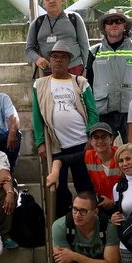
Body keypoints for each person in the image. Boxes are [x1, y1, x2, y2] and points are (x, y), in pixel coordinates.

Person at [32, 41, 98, 219]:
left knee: (85, 187)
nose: (58, 61)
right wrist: (40, 143)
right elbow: (37, 116)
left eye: (63, 57)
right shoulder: (40, 85)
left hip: (81, 145)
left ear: (69, 61)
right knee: (59, 192)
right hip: (56, 147)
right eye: (54, 57)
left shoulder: (80, 82)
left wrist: (91, 138)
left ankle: (90, 222)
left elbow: (92, 112)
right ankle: (63, 226)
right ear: (49, 60)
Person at [85, 9, 132, 141]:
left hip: (130, 110)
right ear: (104, 27)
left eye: (118, 21)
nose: (114, 24)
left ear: (124, 25)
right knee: (103, 152)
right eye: (109, 22)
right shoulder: (94, 51)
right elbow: (89, 83)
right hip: (103, 111)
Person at [25, 0, 90, 76]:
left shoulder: (74, 18)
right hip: (48, 72)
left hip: (74, 70)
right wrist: (37, 59)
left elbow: (85, 46)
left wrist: (87, 70)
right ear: (44, 4)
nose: (52, 1)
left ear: (62, 0)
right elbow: (29, 49)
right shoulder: (37, 23)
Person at [84, 122, 122, 213]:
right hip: (101, 207)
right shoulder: (87, 156)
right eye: (96, 137)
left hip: (123, 206)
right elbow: (63, 159)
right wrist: (55, 171)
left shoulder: (122, 155)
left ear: (111, 139)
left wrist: (114, 202)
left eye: (104, 137)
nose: (100, 141)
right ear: (91, 141)